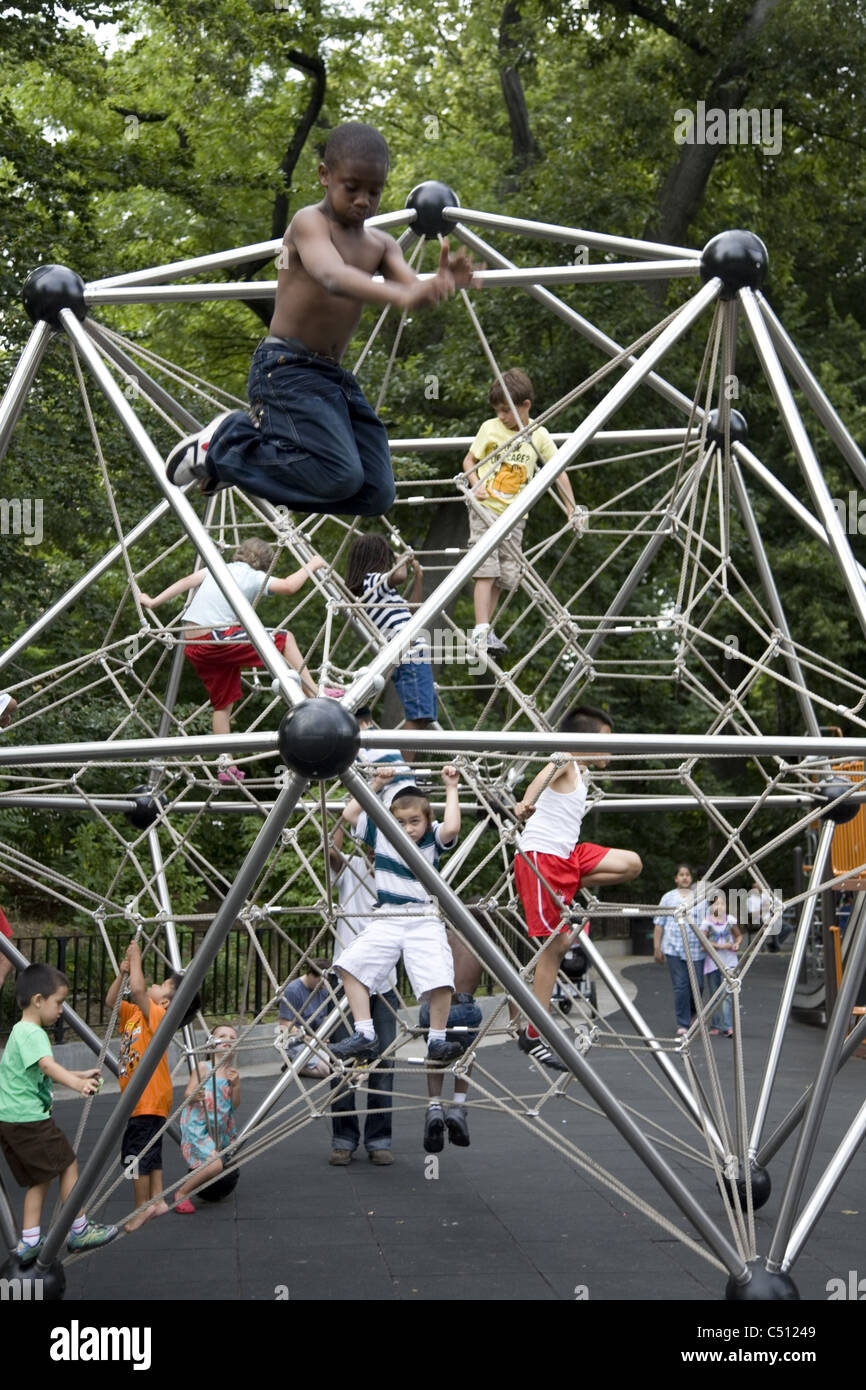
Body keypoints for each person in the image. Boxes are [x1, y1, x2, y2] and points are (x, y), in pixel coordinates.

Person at [165, 122, 478, 515]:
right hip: (286, 368)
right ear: (324, 176)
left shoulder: (381, 245)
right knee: (340, 475)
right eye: (352, 187)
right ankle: (226, 444)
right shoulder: (308, 223)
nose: (364, 200)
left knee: (376, 492)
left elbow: (412, 292)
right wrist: (406, 293)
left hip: (332, 378)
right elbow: (332, 276)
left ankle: (245, 463)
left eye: (374, 191)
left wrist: (438, 285)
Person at [513, 705, 642, 1070]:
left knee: (631, 863)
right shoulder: (566, 759)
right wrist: (528, 802)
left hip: (567, 858)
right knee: (554, 948)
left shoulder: (581, 771)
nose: (610, 749)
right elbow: (546, 771)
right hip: (541, 858)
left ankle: (571, 884)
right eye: (605, 741)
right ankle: (535, 1035)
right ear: (583, 741)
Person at [138, 539, 328, 781]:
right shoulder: (252, 576)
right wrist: (312, 564)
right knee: (284, 638)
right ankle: (315, 694)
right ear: (265, 565)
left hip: (194, 645)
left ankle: (225, 764)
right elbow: (290, 586)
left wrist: (153, 601)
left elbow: (187, 582)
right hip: (215, 638)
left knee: (223, 704)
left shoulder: (216, 567)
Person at [330, 767, 464, 1066]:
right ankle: (365, 1034)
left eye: (414, 821)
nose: (407, 829)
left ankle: (437, 1040)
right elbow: (351, 814)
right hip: (388, 918)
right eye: (400, 822)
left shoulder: (431, 839)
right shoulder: (382, 833)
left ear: (428, 821)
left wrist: (451, 787)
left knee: (440, 979)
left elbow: (452, 828)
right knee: (349, 966)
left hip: (423, 917)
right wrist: (375, 784)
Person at [0, 962, 118, 1262]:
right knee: (68, 1165)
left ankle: (29, 1242)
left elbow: (41, 1073)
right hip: (29, 1121)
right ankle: (78, 1228)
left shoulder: (20, 1032)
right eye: (60, 1002)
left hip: (12, 1122)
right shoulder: (33, 1033)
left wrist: (78, 1075)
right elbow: (48, 1067)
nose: (62, 1010)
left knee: (40, 1179)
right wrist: (78, 1086)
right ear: (39, 1000)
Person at [462, 368, 577, 652]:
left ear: (525, 406)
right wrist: (476, 484)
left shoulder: (538, 435)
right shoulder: (490, 428)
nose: (501, 416)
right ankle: (479, 630)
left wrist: (571, 508)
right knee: (486, 570)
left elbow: (558, 470)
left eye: (506, 411)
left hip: (515, 517)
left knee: (504, 576)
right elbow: (469, 461)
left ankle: (486, 630)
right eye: (498, 411)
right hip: (486, 509)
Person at [105, 940, 201, 1231]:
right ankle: (157, 1199)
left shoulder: (158, 1017)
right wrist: (123, 972)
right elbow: (112, 1002)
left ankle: (140, 1208)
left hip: (147, 1099)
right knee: (151, 1153)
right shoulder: (135, 1014)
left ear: (166, 1003)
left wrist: (136, 958)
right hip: (147, 1100)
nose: (152, 985)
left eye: (161, 984)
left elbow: (137, 990)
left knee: (135, 1156)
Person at [345, 534, 433, 760]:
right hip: (408, 655)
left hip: (414, 654)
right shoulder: (371, 581)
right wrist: (402, 558)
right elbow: (399, 575)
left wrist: (419, 578)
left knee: (422, 716)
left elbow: (412, 610)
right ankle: (404, 768)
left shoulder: (382, 591)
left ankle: (405, 766)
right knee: (418, 716)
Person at [175, 1024, 241, 1212]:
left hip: (220, 1126)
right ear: (211, 1044)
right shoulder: (204, 1067)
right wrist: (196, 1094)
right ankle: (181, 1193)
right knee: (214, 1165)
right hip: (198, 1125)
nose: (227, 1039)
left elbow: (234, 1104)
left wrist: (236, 1085)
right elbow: (188, 1092)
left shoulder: (232, 1073)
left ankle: (203, 1184)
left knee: (225, 1161)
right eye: (222, 1036)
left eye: (232, 1037)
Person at [653, 863, 707, 1036]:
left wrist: (707, 942)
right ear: (676, 878)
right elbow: (659, 924)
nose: (684, 877)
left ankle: (693, 1013)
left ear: (692, 878)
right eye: (681, 875)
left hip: (696, 949)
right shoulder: (668, 898)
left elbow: (706, 924)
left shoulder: (700, 898)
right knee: (681, 986)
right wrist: (657, 948)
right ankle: (682, 1022)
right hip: (673, 948)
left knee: (697, 985)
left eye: (687, 874)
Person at [276, 960, 333, 1079]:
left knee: (338, 1062)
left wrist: (325, 1036)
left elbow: (324, 1017)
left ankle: (298, 1065)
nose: (323, 987)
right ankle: (293, 1066)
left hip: (315, 1039)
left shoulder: (323, 990)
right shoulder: (292, 990)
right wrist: (311, 1039)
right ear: (311, 975)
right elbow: (285, 1024)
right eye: (321, 983)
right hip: (296, 1041)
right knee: (328, 1070)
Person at [701, 892, 742, 1037]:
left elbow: (738, 935)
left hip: (729, 961)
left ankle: (727, 1026)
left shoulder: (730, 920)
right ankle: (716, 1024)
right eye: (716, 903)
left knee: (727, 993)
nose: (720, 906)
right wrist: (719, 946)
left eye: (722, 903)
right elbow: (703, 942)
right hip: (713, 962)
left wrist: (736, 944)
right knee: (714, 994)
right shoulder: (707, 922)